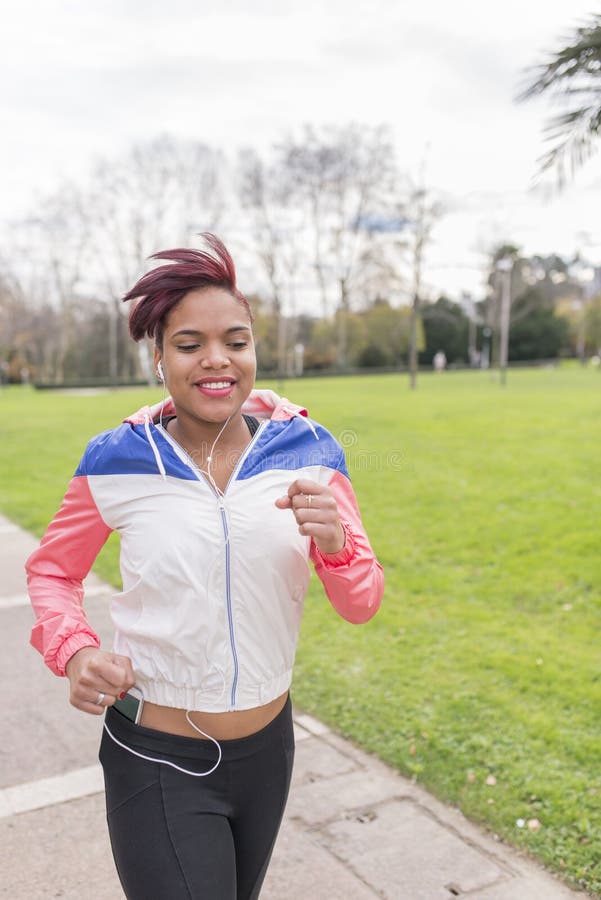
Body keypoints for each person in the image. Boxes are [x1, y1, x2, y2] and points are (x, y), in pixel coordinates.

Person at [26, 233, 384, 900]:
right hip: (155, 755)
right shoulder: (115, 461)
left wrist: (335, 544)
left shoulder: (310, 449)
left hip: (267, 750)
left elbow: (361, 600)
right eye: (189, 345)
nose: (217, 360)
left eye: (236, 341)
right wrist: (73, 651)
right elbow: (52, 571)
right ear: (158, 358)